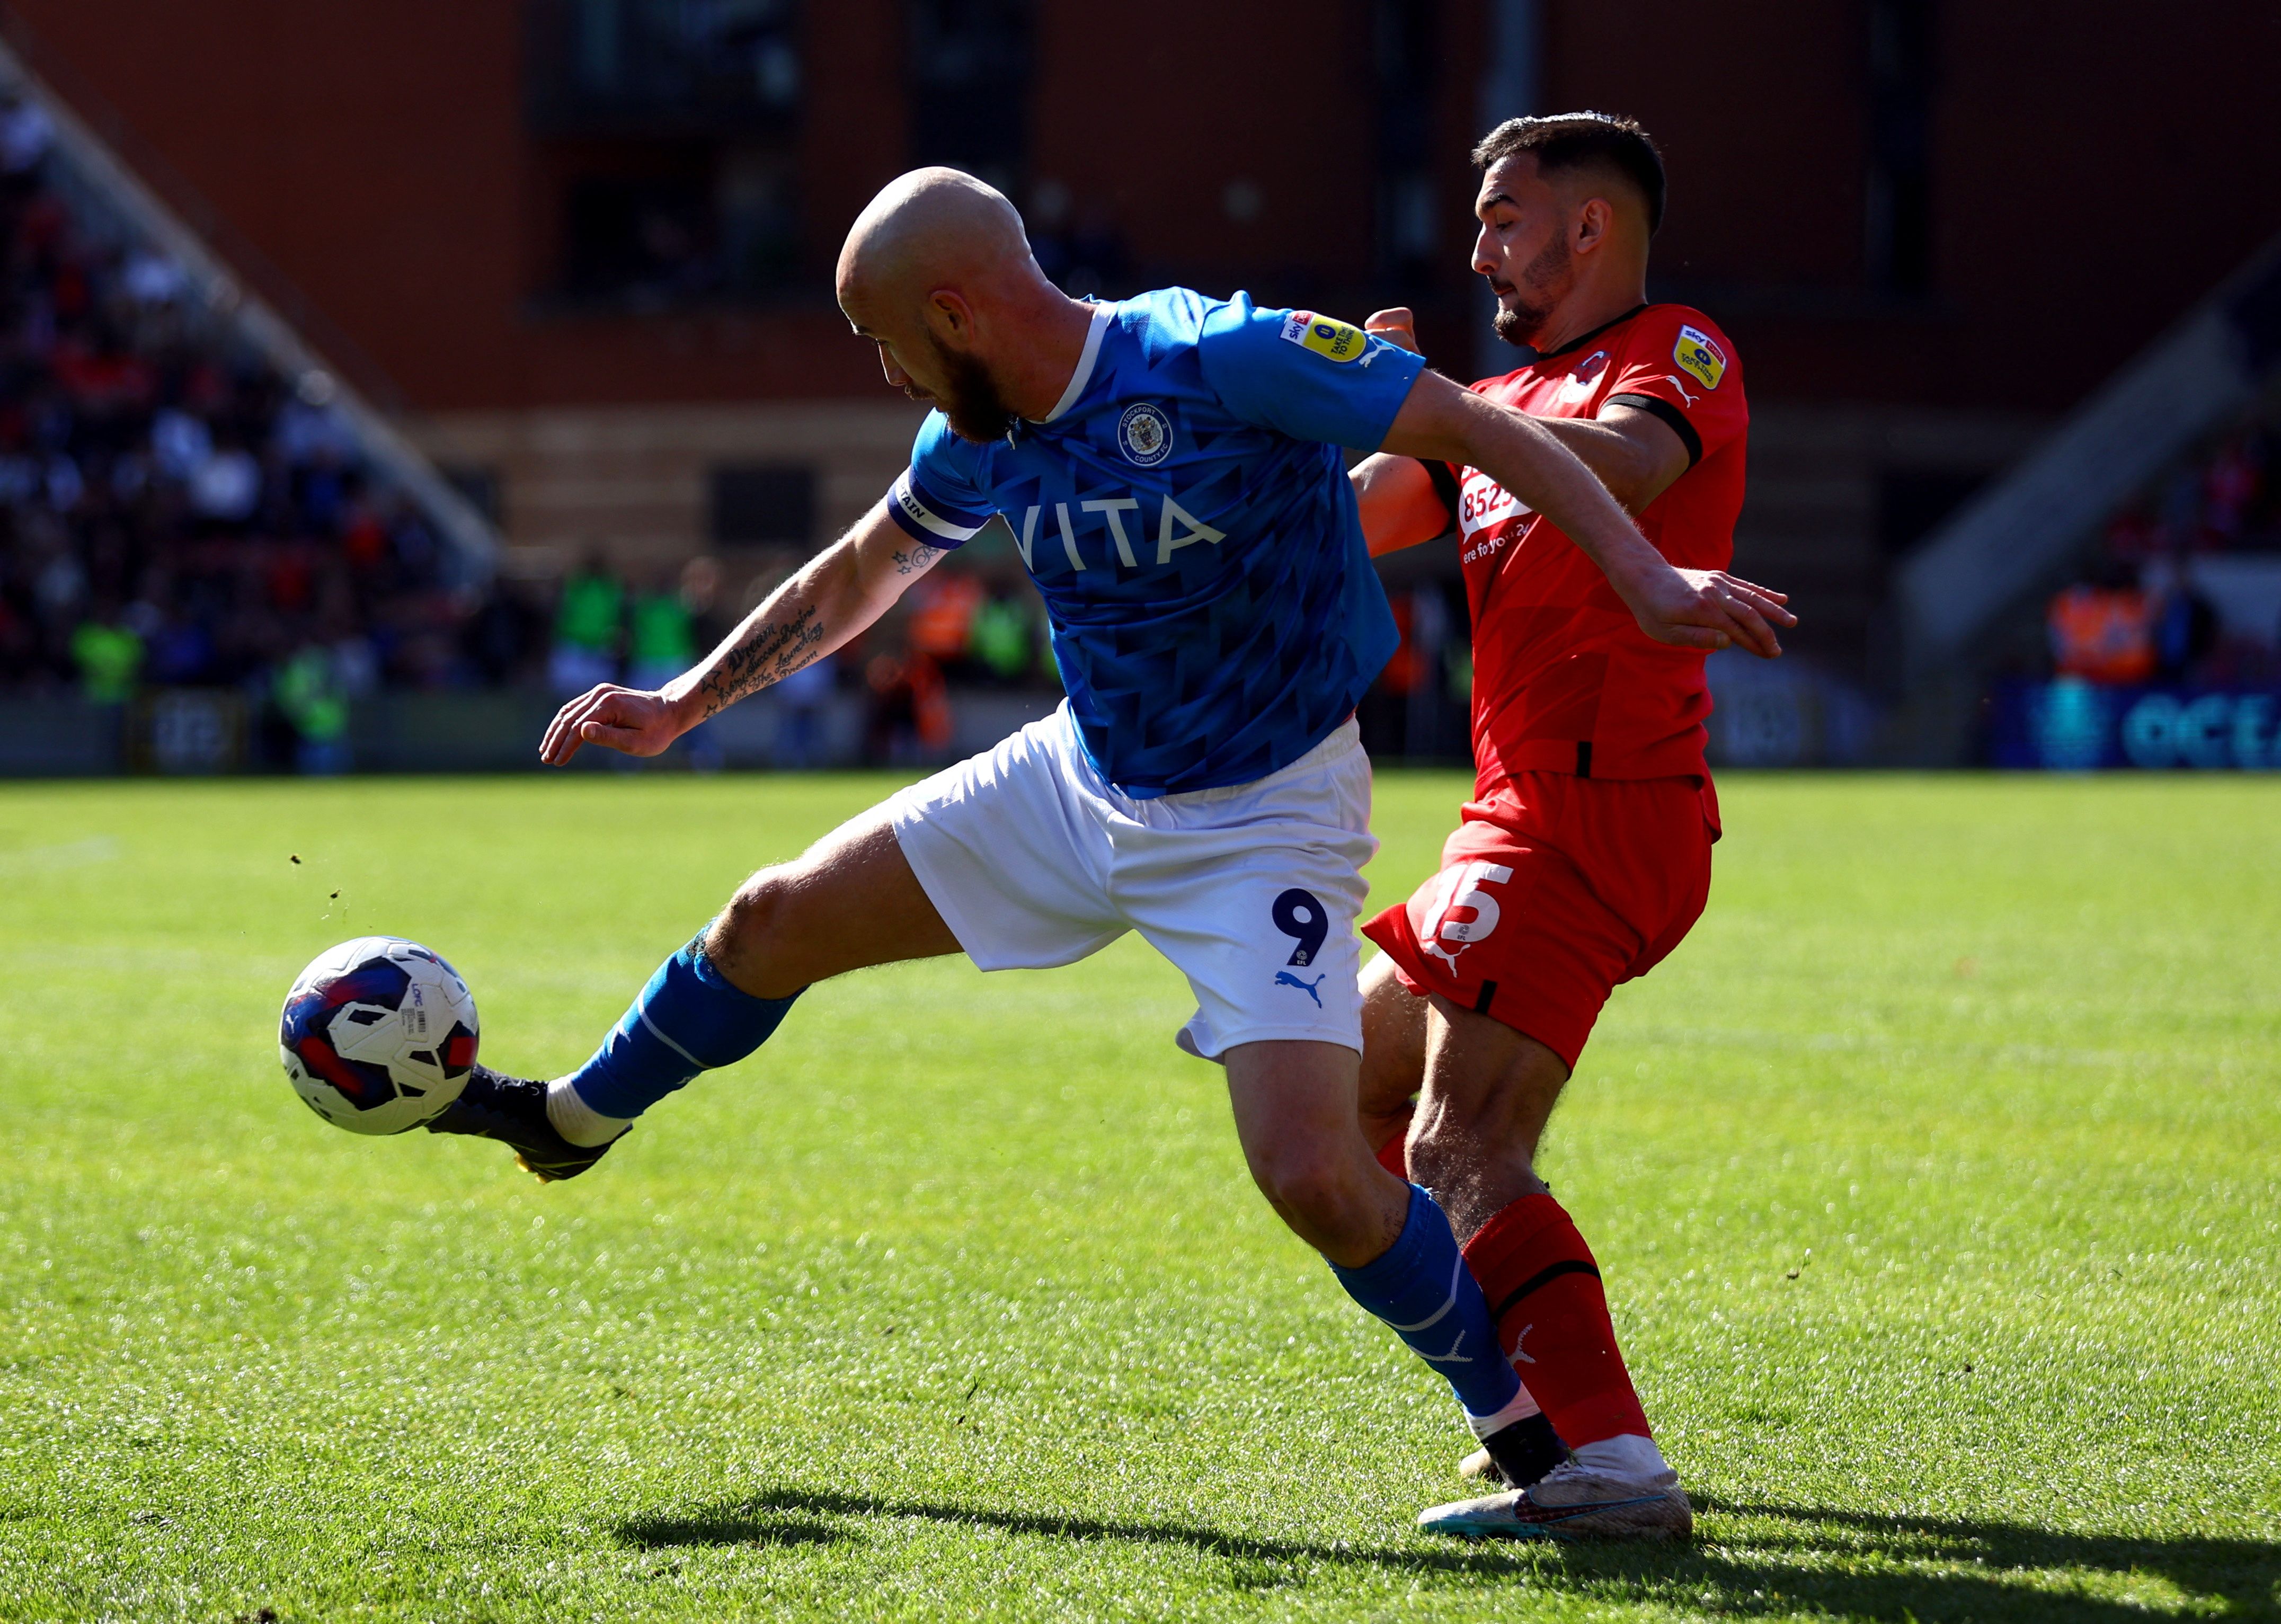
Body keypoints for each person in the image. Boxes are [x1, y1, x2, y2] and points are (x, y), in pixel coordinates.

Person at [419, 167, 1785, 1507]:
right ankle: (567, 1121)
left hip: (1265, 818)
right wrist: (683, 703)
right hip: (1082, 779)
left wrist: (1649, 575)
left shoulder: (1223, 352)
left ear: (955, 311)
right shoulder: (982, 430)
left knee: (1315, 1171)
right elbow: (860, 574)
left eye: (885, 340)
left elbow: (1486, 431)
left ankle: (1539, 1441)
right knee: (768, 920)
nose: (888, 373)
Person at [1348, 113, 1792, 1539]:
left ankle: (1605, 1465)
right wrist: (1332, 410)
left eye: (1500, 219)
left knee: (1456, 1140)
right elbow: (1355, 519)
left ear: (1586, 228)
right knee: (1341, 1084)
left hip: (1599, 806)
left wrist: (1450, 413)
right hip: (1512, 811)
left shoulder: (1679, 351)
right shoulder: (1482, 398)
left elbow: (1629, 465)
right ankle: (1535, 1406)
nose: (1478, 247)